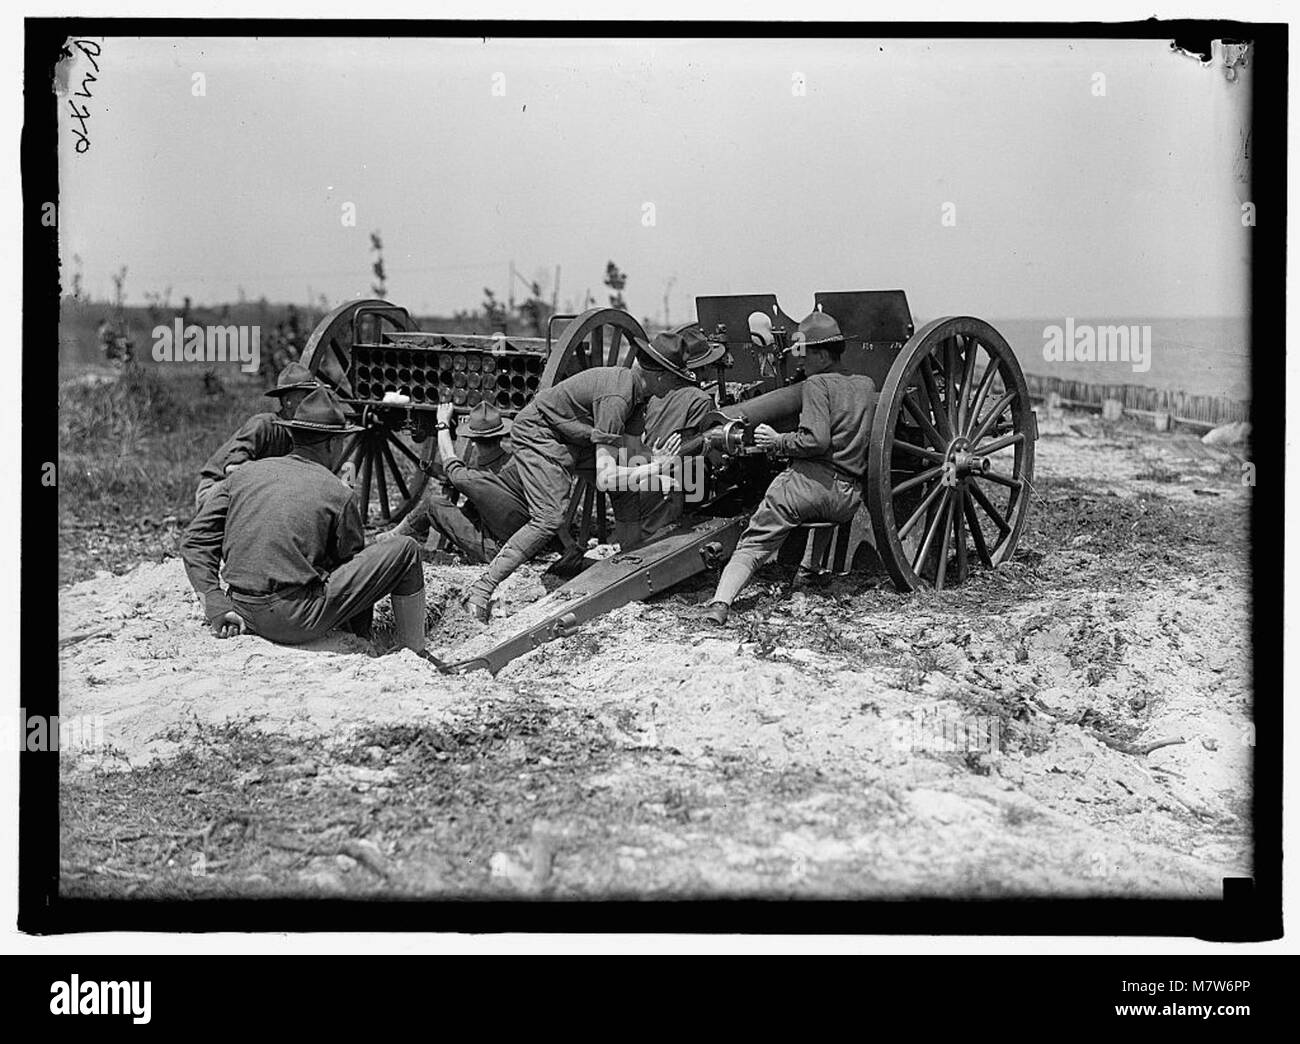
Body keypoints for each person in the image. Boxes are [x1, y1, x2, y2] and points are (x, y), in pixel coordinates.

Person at [180, 387, 431, 657]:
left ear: (293, 434)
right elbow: (350, 566)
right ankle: (414, 650)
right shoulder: (338, 492)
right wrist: (360, 636)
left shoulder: (243, 475)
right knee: (405, 549)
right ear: (332, 444)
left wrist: (216, 603)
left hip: (241, 610)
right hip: (295, 620)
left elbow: (195, 541)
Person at [462, 340, 691, 621]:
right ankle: (482, 589)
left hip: (576, 438)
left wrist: (649, 457)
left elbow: (629, 452)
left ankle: (631, 568)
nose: (677, 385)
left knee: (627, 489)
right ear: (658, 375)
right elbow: (607, 478)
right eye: (676, 377)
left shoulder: (637, 396)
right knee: (549, 517)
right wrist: (655, 468)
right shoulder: (617, 399)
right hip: (541, 435)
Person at [702, 312, 877, 625]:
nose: (801, 362)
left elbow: (816, 440)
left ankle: (720, 603)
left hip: (808, 489)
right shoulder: (866, 385)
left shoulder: (816, 385)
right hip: (847, 497)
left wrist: (776, 440)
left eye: (806, 355)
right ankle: (805, 570)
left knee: (753, 543)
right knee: (798, 505)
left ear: (823, 355)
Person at [611, 328, 725, 549]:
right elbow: (699, 450)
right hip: (669, 488)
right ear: (701, 369)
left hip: (637, 474)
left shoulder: (654, 392)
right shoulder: (701, 400)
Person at [378, 401, 530, 564]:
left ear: (472, 439)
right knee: (472, 507)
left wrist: (442, 423)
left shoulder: (471, 478)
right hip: (527, 544)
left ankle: (394, 537)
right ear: (501, 434)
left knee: (432, 503)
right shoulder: (519, 461)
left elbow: (449, 460)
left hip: (497, 551)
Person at [193, 361, 318, 511]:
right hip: (217, 488)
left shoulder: (299, 434)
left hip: (251, 491)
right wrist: (277, 476)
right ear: (287, 401)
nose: (312, 402)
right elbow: (233, 469)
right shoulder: (263, 424)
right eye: (306, 396)